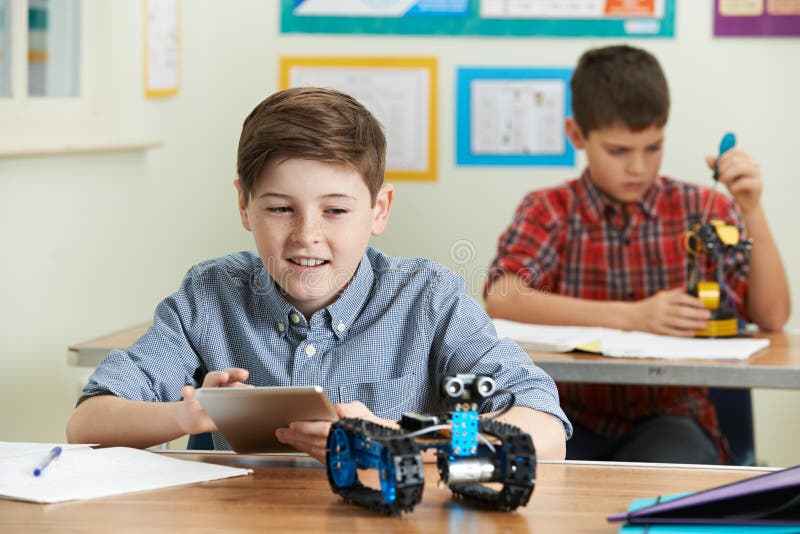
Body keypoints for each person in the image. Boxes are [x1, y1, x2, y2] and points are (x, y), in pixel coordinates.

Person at [67, 87, 570, 461]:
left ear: (379, 209)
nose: (306, 235)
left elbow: (544, 427)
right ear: (244, 206)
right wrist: (186, 415)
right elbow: (87, 421)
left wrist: (403, 441)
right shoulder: (211, 295)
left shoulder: (428, 299)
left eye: (335, 211)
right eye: (281, 209)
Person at [485, 45, 790, 464]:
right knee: (528, 477)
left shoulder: (703, 208)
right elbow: (503, 296)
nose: (638, 168)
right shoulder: (549, 209)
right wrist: (633, 316)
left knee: (673, 478)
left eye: (652, 148)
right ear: (577, 135)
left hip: (671, 419)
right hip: (566, 415)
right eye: (618, 151)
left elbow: (773, 317)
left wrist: (751, 208)